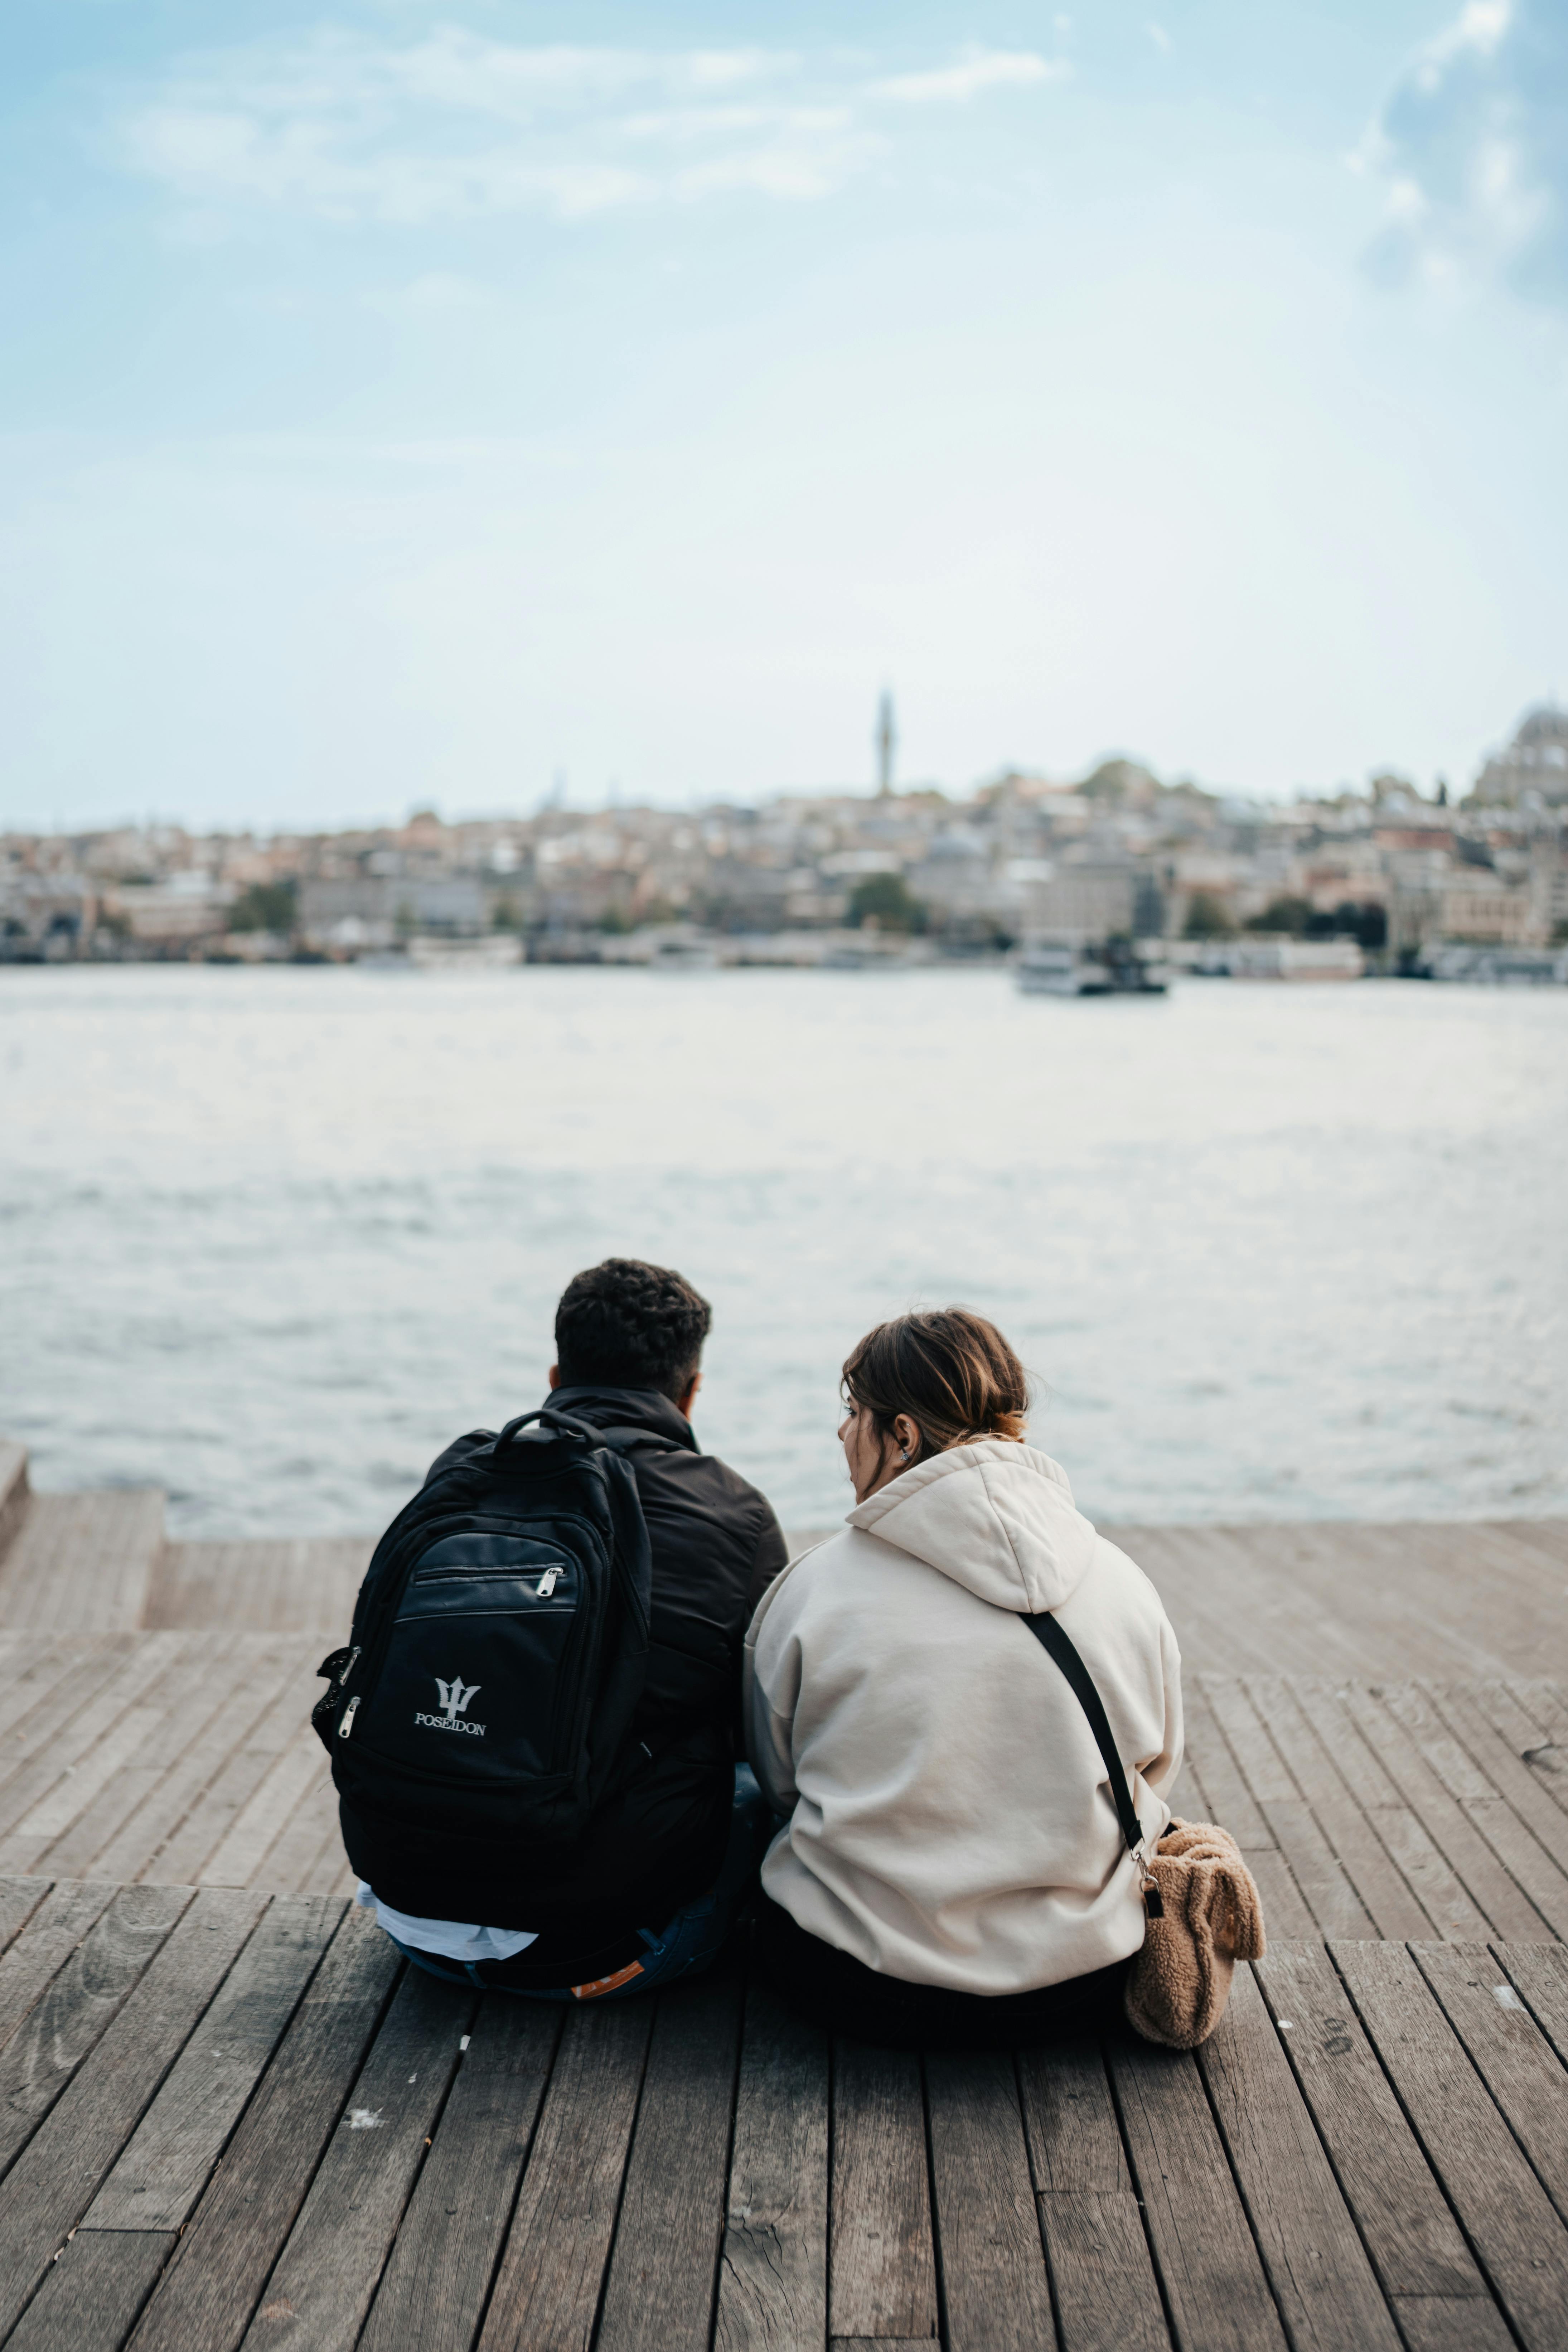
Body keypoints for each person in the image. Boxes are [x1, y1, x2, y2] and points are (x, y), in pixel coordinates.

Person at [744, 1307, 1182, 2048]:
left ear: (904, 1435)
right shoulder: (1123, 1582)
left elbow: (779, 1782)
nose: (843, 1434)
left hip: (857, 1983)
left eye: (856, 1413)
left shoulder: (813, 1591)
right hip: (1080, 1983)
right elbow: (1157, 1770)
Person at [356, 1256, 786, 1999]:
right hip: (599, 1953)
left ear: (556, 1378)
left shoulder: (463, 1472)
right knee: (756, 1769)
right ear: (691, 1392)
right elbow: (763, 1737)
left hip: (407, 1910)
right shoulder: (735, 1514)